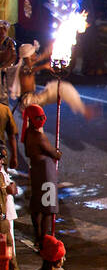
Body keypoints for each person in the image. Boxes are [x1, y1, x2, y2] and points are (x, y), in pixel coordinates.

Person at [0, 143, 31, 270]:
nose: (3, 160)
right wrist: (7, 188)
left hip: (7, 221)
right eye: (1, 157)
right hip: (2, 224)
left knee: (11, 263)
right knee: (10, 262)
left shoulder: (2, 171)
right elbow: (10, 188)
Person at [21, 104, 59, 242]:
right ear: (31, 119)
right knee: (47, 209)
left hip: (36, 171)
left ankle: (38, 235)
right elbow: (54, 153)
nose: (42, 119)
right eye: (38, 117)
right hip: (45, 173)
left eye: (43, 116)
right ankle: (43, 240)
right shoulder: (39, 136)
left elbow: (26, 152)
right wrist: (58, 152)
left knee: (37, 205)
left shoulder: (28, 135)